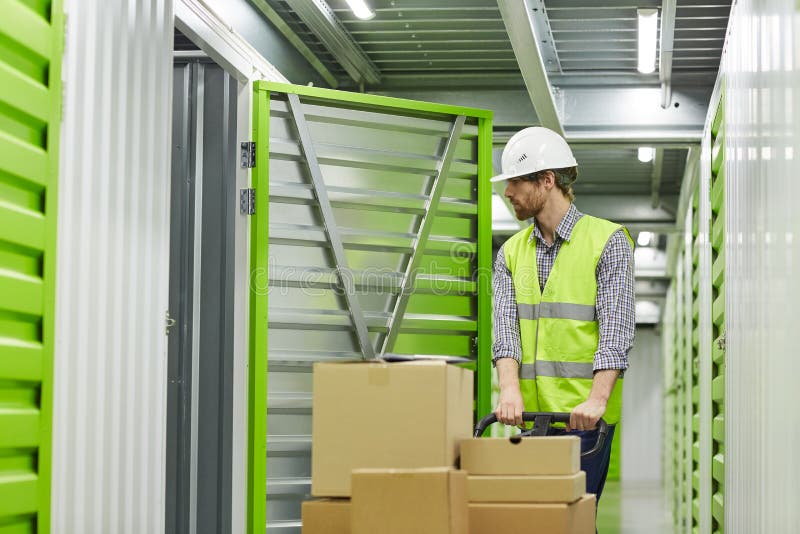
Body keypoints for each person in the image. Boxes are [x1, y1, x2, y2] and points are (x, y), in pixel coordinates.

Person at [491, 126, 635, 506]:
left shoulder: (607, 241)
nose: (507, 193)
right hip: (530, 419)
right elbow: (505, 332)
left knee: (572, 519)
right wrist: (509, 391)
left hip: (584, 420)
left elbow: (615, 331)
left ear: (547, 181)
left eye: (515, 183)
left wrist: (597, 401)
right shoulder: (509, 253)